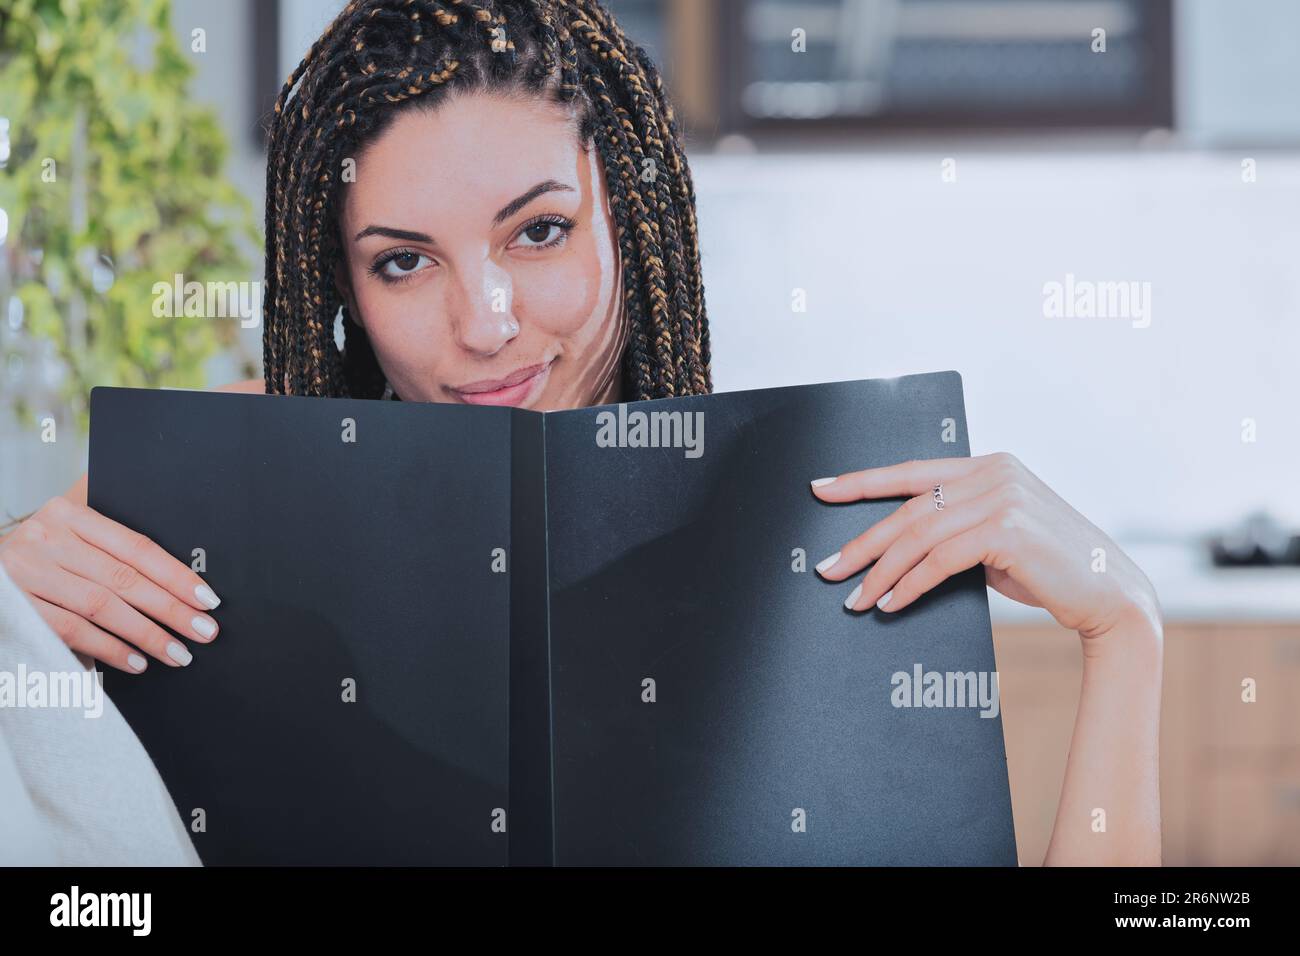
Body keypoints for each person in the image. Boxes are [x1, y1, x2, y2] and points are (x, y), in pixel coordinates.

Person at [0, 0, 1162, 865]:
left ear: (632, 218)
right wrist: (15, 641)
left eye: (539, 232)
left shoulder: (824, 520)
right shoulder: (208, 527)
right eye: (403, 261)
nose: (484, 322)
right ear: (341, 290)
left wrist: (1126, 632)